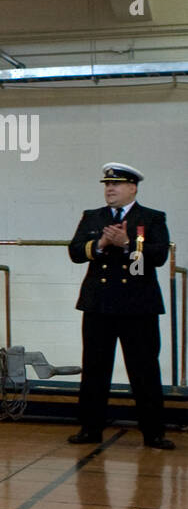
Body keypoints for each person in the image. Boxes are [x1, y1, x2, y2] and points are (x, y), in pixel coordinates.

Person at [66, 163, 175, 450]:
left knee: (144, 370)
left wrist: (128, 244)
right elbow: (75, 251)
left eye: (116, 184)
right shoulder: (94, 217)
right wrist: (100, 243)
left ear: (133, 188)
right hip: (98, 304)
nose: (109, 189)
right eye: (106, 185)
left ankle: (153, 432)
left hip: (138, 306)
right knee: (95, 369)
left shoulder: (150, 218)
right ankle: (90, 428)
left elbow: (159, 255)